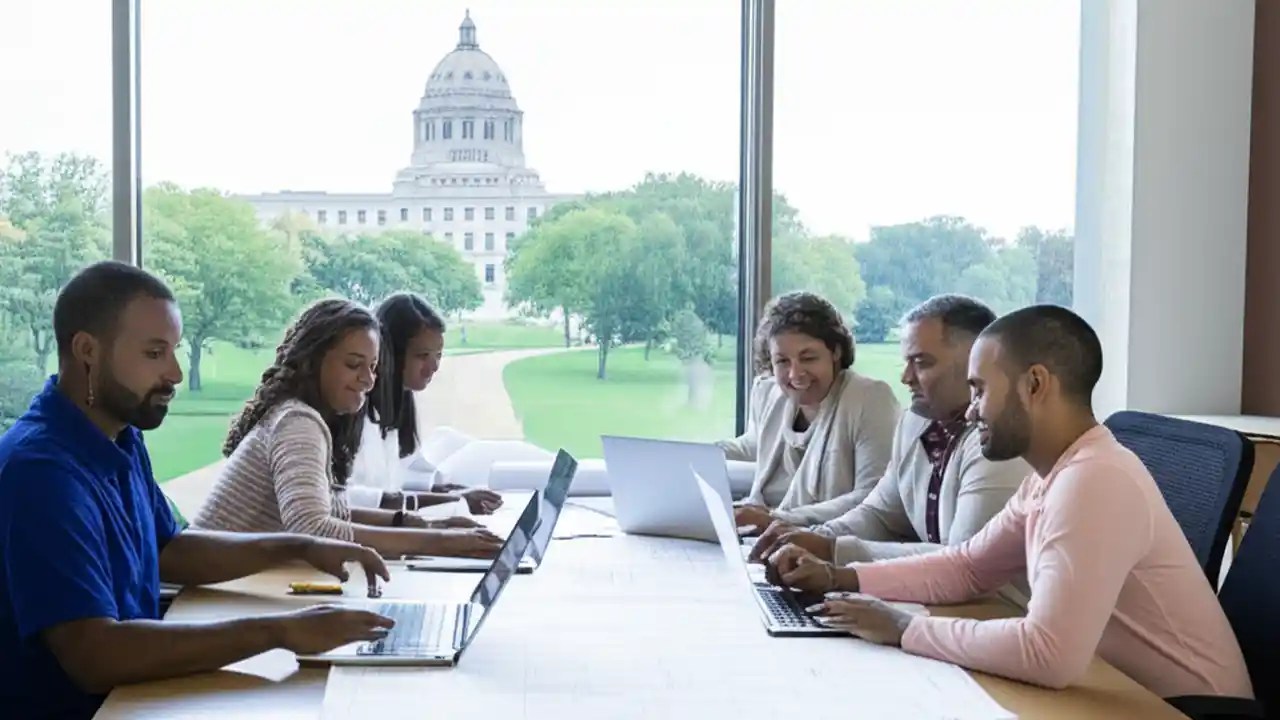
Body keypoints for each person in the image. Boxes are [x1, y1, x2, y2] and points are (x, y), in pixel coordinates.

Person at [769, 305, 1255, 709]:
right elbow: (967, 568)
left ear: (1035, 385)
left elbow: (1048, 653)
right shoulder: (1056, 474)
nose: (973, 408)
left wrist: (904, 627)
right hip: (1113, 688)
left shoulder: (1094, 479)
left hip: (1183, 709)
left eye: (980, 389)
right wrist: (842, 577)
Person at [0, 262, 397, 720]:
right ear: (87, 350)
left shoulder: (117, 437)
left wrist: (302, 545)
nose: (174, 373)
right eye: (154, 353)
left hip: (135, 699)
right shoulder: (42, 471)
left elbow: (170, 549)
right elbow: (94, 656)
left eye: (174, 351)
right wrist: (280, 631)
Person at [192, 298, 503, 560]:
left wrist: (424, 525)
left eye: (372, 367)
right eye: (354, 365)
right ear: (312, 361)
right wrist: (438, 543)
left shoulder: (306, 418)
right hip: (204, 598)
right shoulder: (297, 423)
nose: (368, 380)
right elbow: (313, 529)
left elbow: (334, 513)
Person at [750, 295, 1028, 577]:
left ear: (975, 363)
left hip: (994, 611)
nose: (906, 377)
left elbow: (965, 561)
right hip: (944, 604)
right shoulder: (915, 424)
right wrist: (814, 538)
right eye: (906, 362)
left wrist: (833, 552)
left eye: (921, 363)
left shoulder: (997, 445)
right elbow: (879, 513)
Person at [722, 292, 899, 531]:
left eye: (808, 358)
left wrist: (776, 518)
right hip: (758, 536)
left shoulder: (869, 398)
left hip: (822, 545)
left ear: (835, 352)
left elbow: (874, 498)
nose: (795, 374)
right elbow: (752, 446)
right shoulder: (768, 392)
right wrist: (692, 456)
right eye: (782, 361)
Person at [347, 292, 503, 515]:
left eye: (438, 355)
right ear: (390, 353)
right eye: (422, 356)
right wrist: (453, 501)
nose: (434, 366)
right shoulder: (355, 411)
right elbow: (369, 498)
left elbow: (408, 475)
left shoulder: (399, 404)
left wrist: (450, 493)